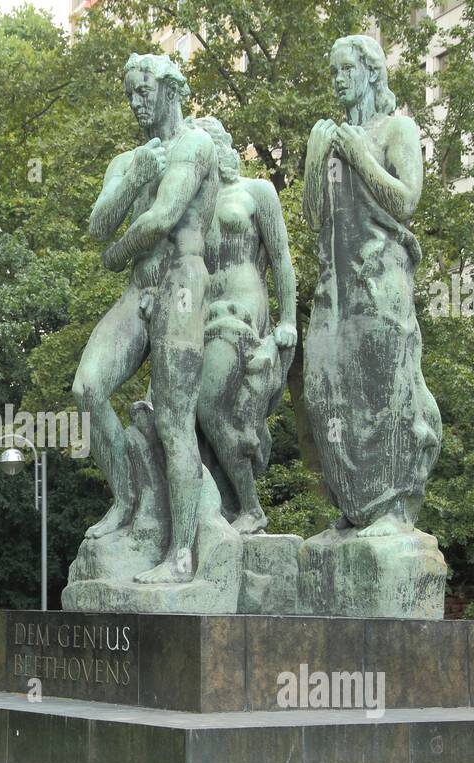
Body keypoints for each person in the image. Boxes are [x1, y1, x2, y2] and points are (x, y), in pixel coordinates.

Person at [74, 53, 218, 583]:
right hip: (139, 289)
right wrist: (133, 174)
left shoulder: (195, 145)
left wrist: (115, 256)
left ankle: (181, 555)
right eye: (129, 93)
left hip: (182, 282)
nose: (136, 102)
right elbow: (98, 224)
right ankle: (128, 497)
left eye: (144, 91)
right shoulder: (129, 159)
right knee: (87, 388)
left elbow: (160, 220)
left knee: (173, 419)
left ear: (170, 89)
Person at [301, 35, 442, 538]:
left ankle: (394, 509)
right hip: (333, 287)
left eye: (345, 69)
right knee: (324, 395)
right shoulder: (333, 135)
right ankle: (354, 505)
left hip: (381, 276)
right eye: (332, 71)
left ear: (372, 72)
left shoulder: (397, 128)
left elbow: (406, 201)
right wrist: (317, 157)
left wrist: (360, 154)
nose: (337, 79)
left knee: (385, 390)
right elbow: (314, 213)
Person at [191, 116, 297, 535]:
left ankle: (251, 506)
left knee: (207, 404)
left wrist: (288, 319)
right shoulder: (191, 203)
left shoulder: (256, 191)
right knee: (184, 415)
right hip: (198, 315)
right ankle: (216, 507)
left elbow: (282, 259)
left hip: (241, 312)